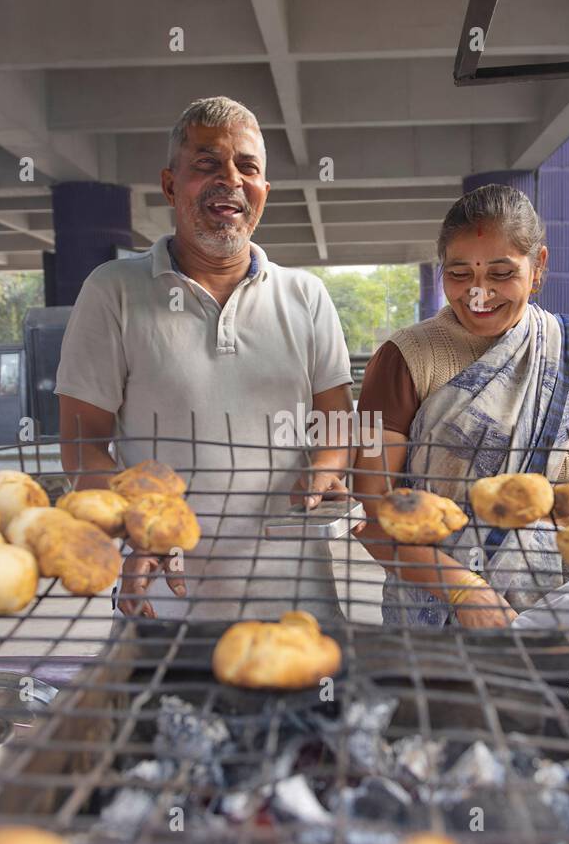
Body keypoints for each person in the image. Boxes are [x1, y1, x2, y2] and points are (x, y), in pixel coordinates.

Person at [55, 97, 355, 621]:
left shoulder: (306, 296)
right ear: (171, 185)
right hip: (167, 601)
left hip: (298, 603)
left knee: (314, 701)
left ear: (264, 191)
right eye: (207, 164)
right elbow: (81, 444)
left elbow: (337, 421)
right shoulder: (113, 292)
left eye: (247, 167)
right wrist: (136, 522)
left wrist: (328, 468)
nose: (230, 179)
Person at [353, 184, 569, 627]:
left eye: (500, 274)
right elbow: (376, 512)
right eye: (459, 274)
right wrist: (464, 590)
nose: (478, 293)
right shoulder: (405, 358)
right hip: (439, 618)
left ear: (538, 268)